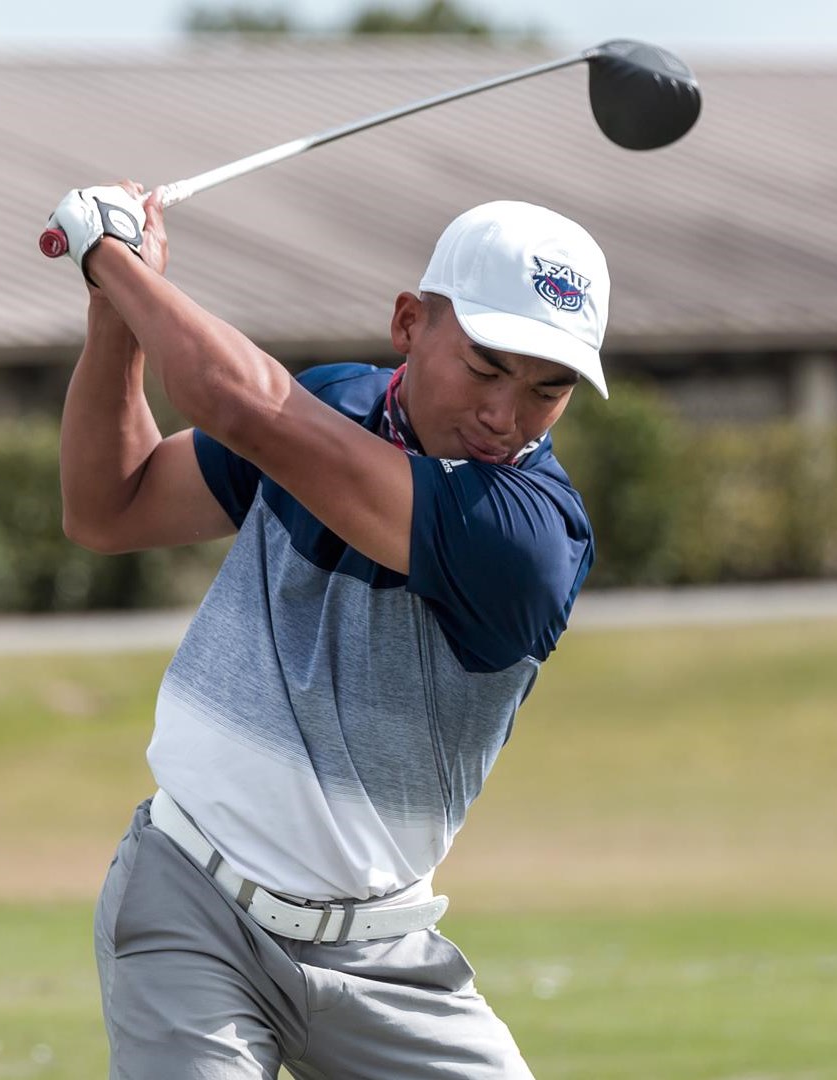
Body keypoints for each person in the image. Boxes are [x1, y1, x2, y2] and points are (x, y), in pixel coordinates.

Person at [47, 180, 611, 1079]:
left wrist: (112, 256)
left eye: (549, 389)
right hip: (192, 907)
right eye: (486, 367)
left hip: (387, 964)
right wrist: (113, 309)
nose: (507, 417)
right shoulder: (337, 402)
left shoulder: (529, 537)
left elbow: (245, 406)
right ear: (408, 323)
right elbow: (110, 505)